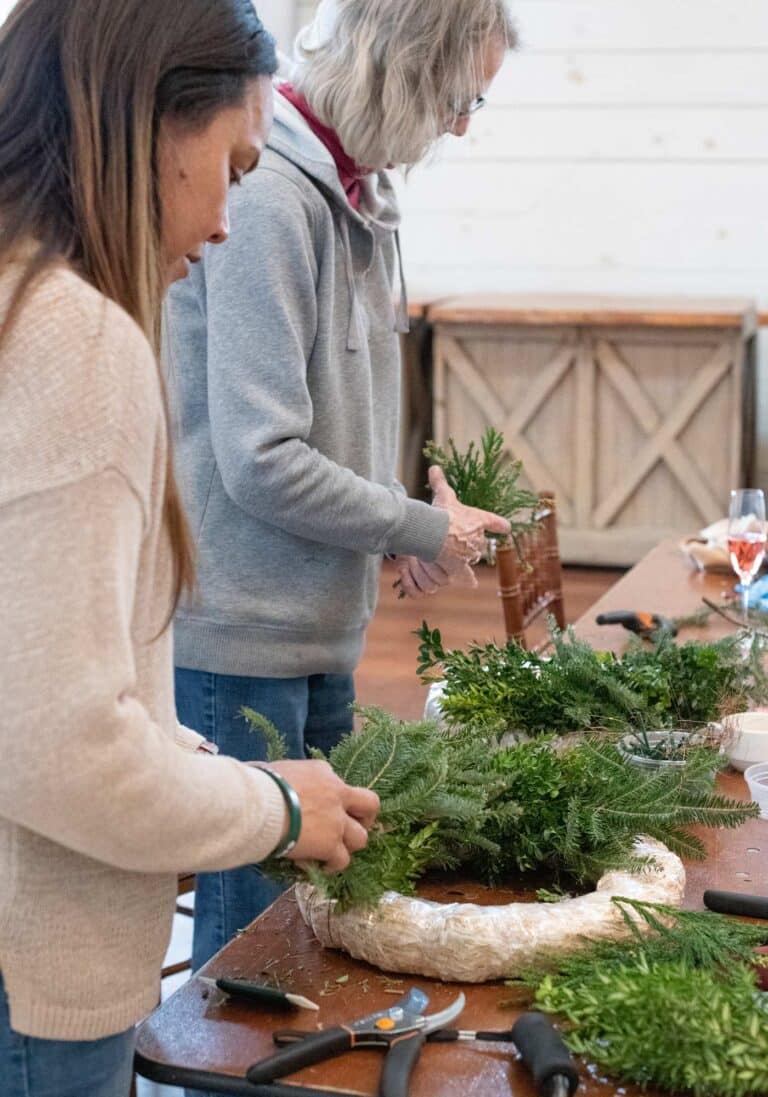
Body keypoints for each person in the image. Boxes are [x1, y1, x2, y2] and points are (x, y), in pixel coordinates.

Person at [0, 2, 379, 1094]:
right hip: (37, 964)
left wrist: (191, 762)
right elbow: (62, 751)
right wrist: (280, 807)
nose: (222, 224)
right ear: (154, 122)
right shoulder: (73, 337)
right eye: (233, 165)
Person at [165, 0, 516, 974]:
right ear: (404, 66)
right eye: (460, 97)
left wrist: (400, 522)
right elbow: (263, 457)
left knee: (313, 925)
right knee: (250, 963)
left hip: (315, 619)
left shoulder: (357, 190)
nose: (459, 127)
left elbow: (329, 417)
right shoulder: (272, 196)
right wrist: (413, 523)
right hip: (244, 632)